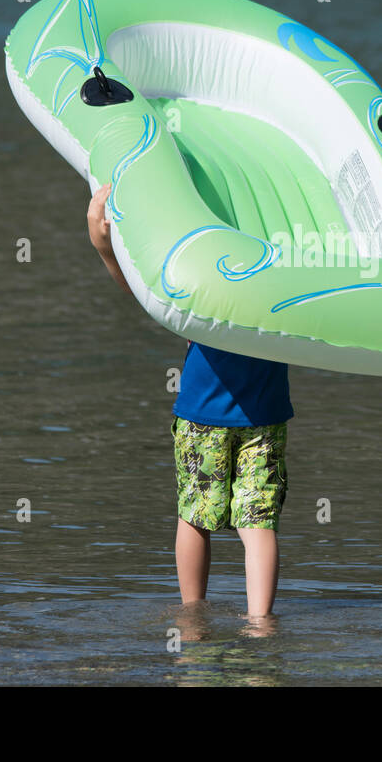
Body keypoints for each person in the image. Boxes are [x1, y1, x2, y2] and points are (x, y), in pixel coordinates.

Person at [86, 184, 292, 617]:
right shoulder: (283, 272)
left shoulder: (204, 274)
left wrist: (104, 246)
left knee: (196, 517)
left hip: (202, 412)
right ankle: (260, 625)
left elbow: (151, 298)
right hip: (265, 413)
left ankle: (193, 618)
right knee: (257, 523)